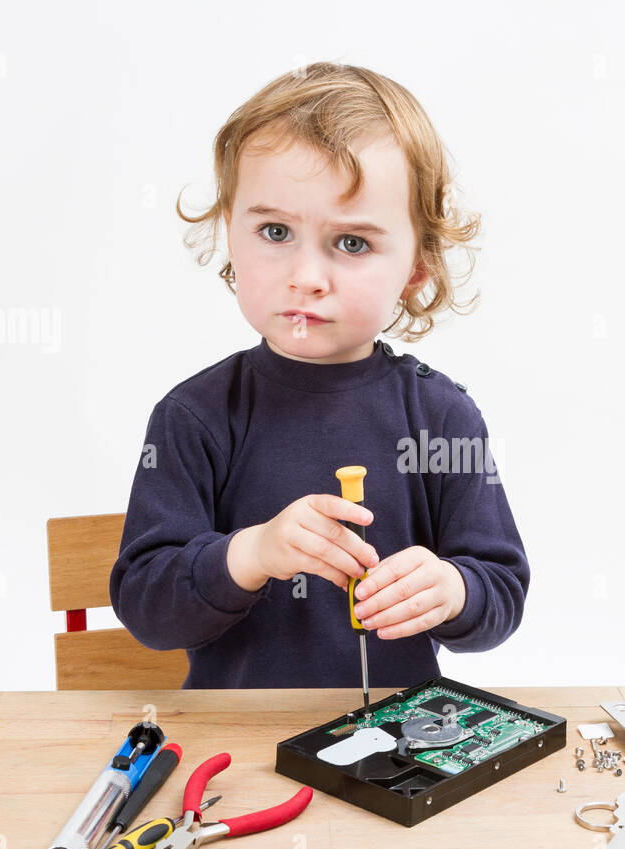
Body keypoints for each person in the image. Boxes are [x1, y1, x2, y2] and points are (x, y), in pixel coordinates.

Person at [109, 63, 529, 689]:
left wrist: (453, 590)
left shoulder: (443, 417)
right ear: (231, 230)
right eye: (275, 231)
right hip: (241, 750)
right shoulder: (193, 417)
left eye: (352, 243)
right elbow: (147, 607)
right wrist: (250, 554)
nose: (306, 275)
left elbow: (501, 591)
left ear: (418, 265)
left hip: (398, 747)